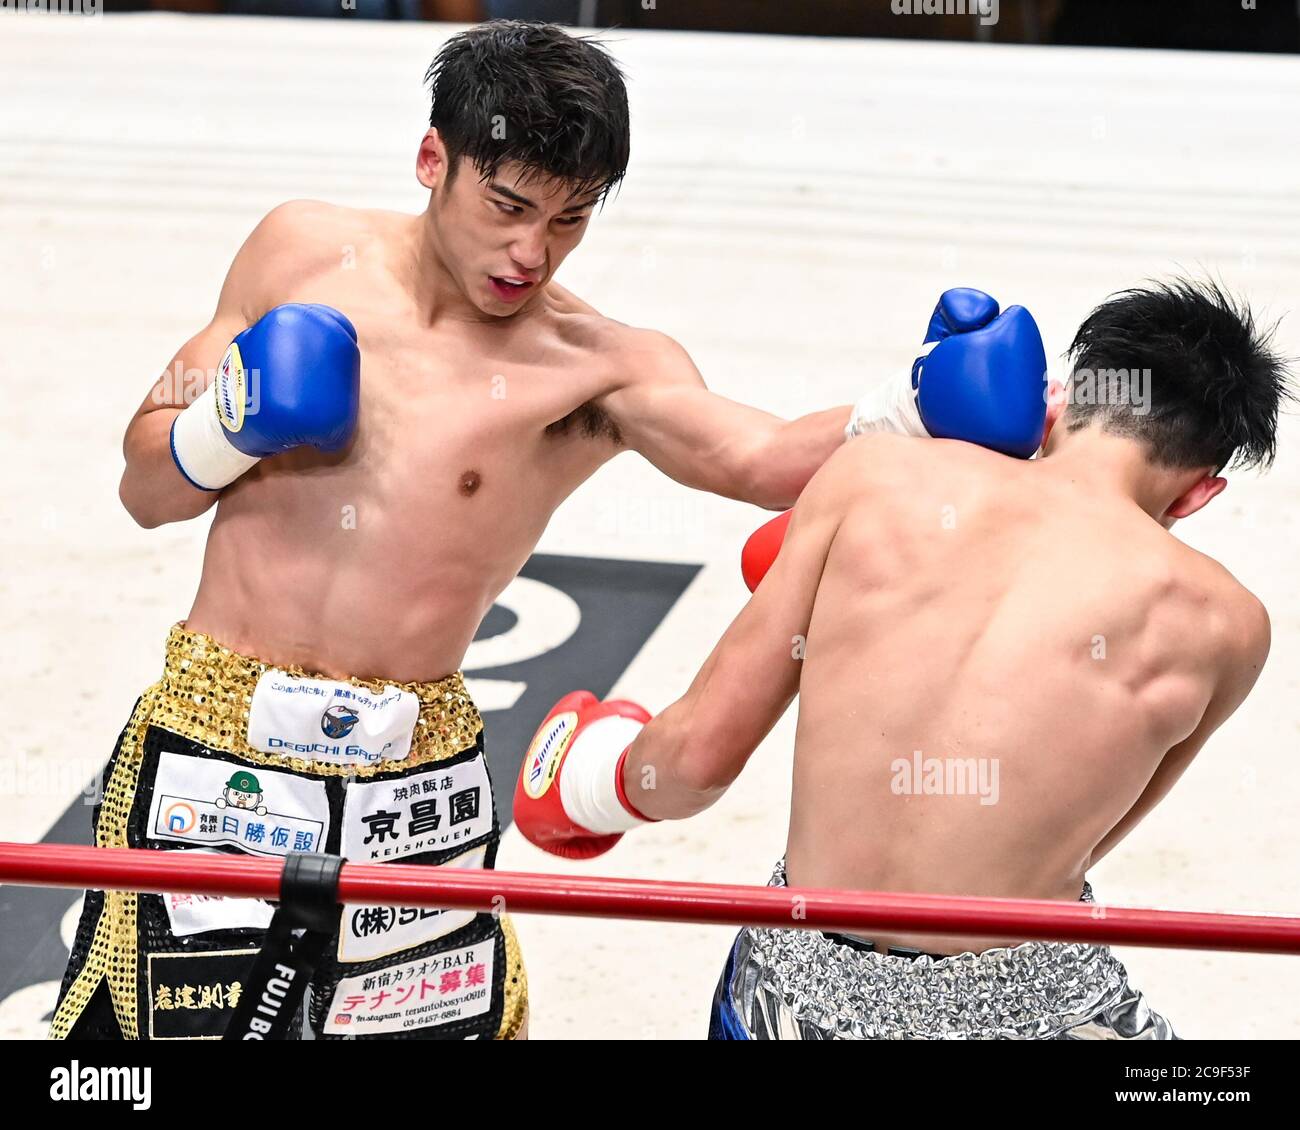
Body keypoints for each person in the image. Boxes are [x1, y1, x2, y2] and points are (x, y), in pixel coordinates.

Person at [50, 20, 1014, 1041]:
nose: (530, 251)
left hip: (410, 777)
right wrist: (223, 423)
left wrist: (913, 399)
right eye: (507, 205)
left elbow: (758, 455)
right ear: (434, 159)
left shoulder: (591, 367)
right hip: (215, 739)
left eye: (569, 220)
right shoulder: (297, 253)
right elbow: (144, 486)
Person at [514, 278, 1288, 1040]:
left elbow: (694, 763)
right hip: (1021, 1014)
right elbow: (1076, 841)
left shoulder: (872, 476)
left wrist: (589, 782)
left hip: (785, 1002)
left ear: (1063, 399)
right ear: (1199, 494)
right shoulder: (1227, 625)